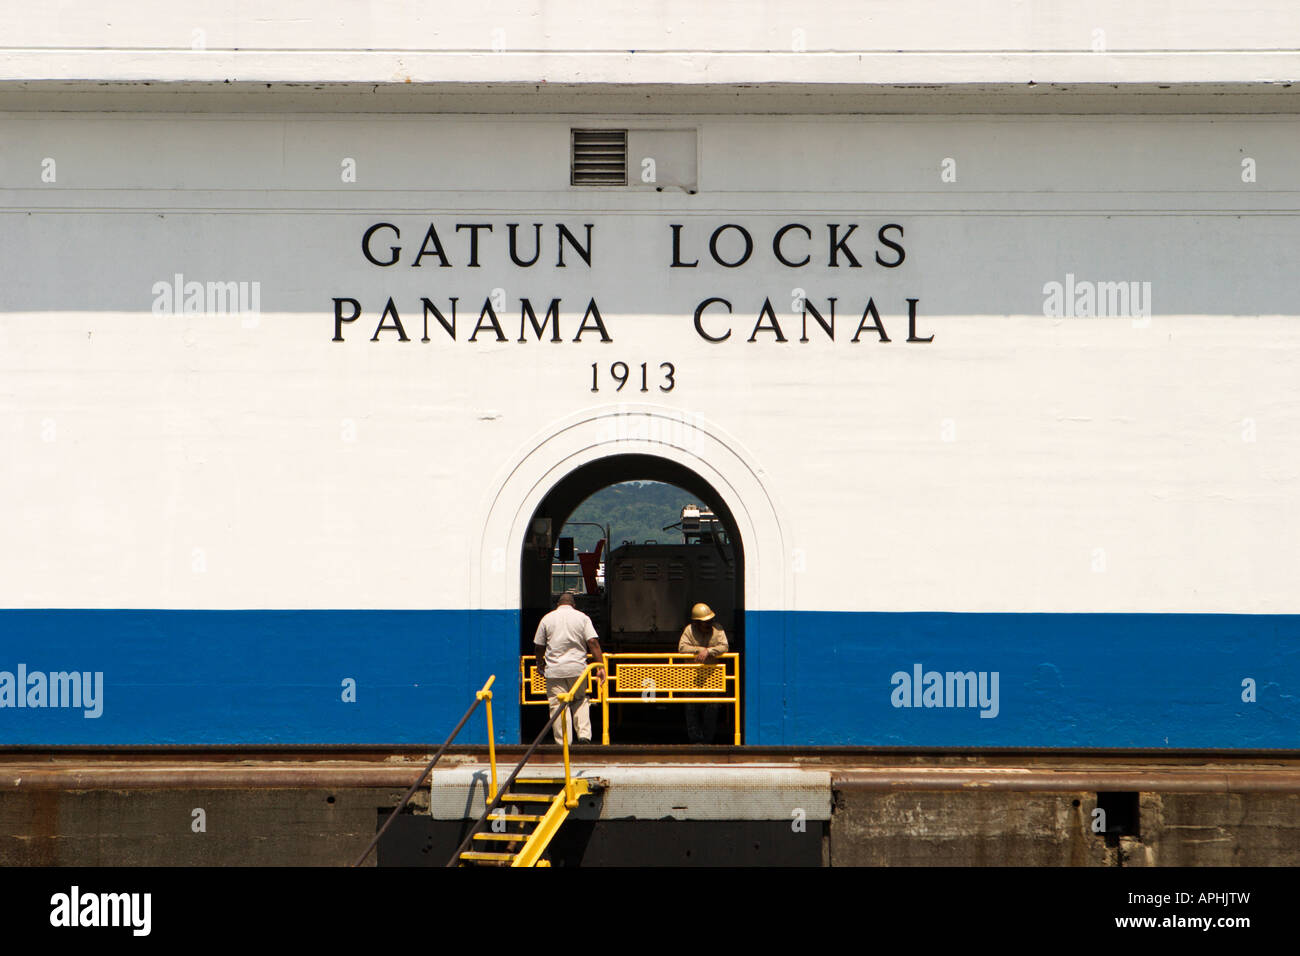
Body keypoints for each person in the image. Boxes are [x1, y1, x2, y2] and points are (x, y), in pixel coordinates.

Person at [534, 592, 605, 745]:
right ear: (574, 605)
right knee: (580, 700)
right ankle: (584, 735)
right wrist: (600, 666)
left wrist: (540, 663)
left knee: (558, 704)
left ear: (557, 604)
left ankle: (564, 742)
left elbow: (539, 646)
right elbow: (593, 642)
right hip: (578, 670)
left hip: (554, 671)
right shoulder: (582, 618)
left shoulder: (547, 619)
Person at [677, 603, 728, 744]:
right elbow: (682, 647)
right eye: (706, 622)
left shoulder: (718, 629)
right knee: (691, 707)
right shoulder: (689, 631)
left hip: (712, 676)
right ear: (697, 622)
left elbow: (724, 646)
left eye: (710, 621)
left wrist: (709, 651)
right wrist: (699, 649)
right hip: (691, 677)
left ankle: (708, 739)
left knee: (711, 708)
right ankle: (695, 740)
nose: (709, 624)